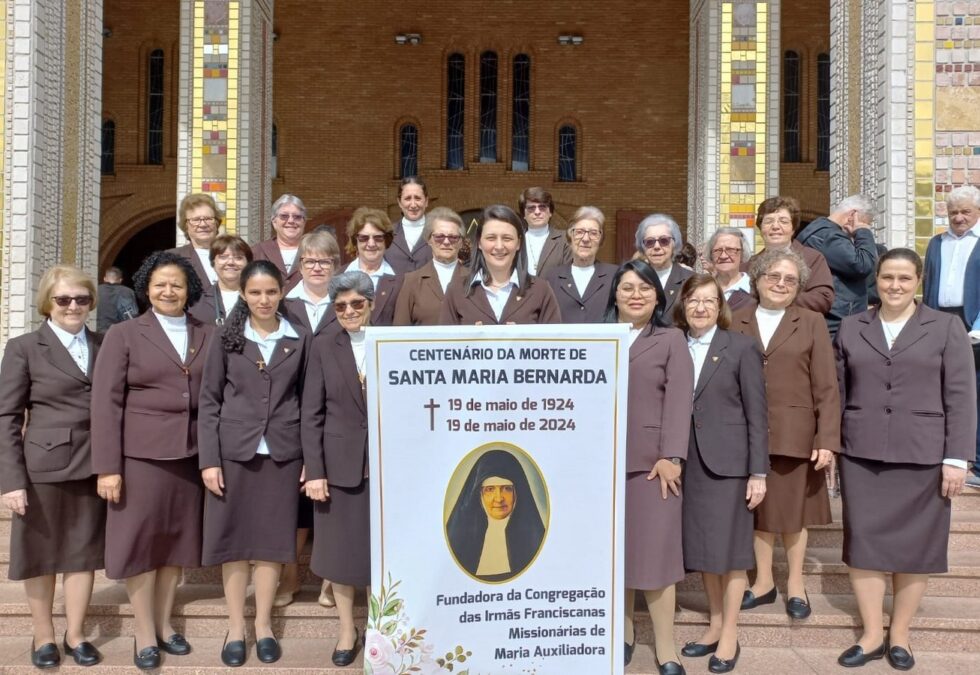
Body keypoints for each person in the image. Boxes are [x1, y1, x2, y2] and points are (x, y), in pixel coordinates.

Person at [834, 248, 976, 670]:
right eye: (887, 278)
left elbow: (962, 396)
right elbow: (837, 393)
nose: (895, 286)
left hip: (923, 454)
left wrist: (957, 458)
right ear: (875, 280)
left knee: (916, 547)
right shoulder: (851, 326)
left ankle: (900, 633)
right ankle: (872, 632)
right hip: (862, 453)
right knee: (864, 543)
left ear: (919, 282)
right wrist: (832, 446)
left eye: (904, 279)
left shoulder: (947, 327)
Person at [91, 251, 212, 670]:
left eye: (177, 284)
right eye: (160, 284)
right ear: (146, 288)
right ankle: (143, 631)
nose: (168, 291)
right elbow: (105, 404)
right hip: (140, 458)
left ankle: (164, 624)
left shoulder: (206, 332)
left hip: (190, 456)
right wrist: (108, 466)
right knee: (141, 547)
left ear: (189, 289)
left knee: (174, 546)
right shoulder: (124, 334)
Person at [198, 260, 307, 667]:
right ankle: (235, 627)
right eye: (256, 292)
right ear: (243, 294)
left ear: (282, 293)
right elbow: (209, 401)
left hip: (282, 452)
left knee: (271, 545)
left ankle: (262, 624)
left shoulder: (298, 337)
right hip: (233, 454)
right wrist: (209, 460)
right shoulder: (226, 338)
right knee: (236, 545)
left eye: (271, 292)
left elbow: (309, 398)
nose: (264, 299)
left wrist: (309, 459)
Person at [0, 266, 106, 669]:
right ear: (48, 303)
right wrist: (11, 480)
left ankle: (76, 633)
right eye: (63, 299)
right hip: (43, 467)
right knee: (40, 555)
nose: (73, 306)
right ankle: (43, 635)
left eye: (81, 299)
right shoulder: (25, 347)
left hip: (94, 464)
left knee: (83, 554)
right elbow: (6, 416)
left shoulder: (105, 342)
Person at [730, 248, 839, 624]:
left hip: (795, 434)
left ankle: (795, 584)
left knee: (793, 513)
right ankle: (762, 583)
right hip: (743, 431)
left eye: (790, 279)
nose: (780, 284)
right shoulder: (735, 319)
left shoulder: (810, 322)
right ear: (757, 279)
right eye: (773, 277)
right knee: (757, 510)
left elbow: (826, 384)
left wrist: (827, 438)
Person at [675, 273, 768, 674]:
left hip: (729, 465)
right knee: (705, 553)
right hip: (687, 464)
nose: (700, 307)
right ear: (683, 304)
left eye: (708, 301)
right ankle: (713, 624)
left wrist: (758, 473)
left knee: (730, 555)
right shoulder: (672, 344)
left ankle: (729, 633)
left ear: (720, 307)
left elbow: (757, 415)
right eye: (693, 300)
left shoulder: (741, 347)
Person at [604, 259, 693, 673]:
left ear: (658, 295)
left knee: (655, 558)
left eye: (644, 287)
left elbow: (679, 400)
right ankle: (623, 634)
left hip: (654, 465)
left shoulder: (671, 339)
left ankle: (666, 646)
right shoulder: (599, 337)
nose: (635, 295)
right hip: (603, 465)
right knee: (616, 556)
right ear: (615, 295)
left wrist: (672, 455)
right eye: (626, 288)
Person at [302, 271, 377, 667]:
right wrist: (315, 470)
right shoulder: (323, 346)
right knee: (342, 555)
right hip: (339, 467)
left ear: (371, 303)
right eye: (341, 306)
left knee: (381, 554)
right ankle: (348, 628)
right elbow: (310, 412)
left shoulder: (391, 341)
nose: (349, 311)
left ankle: (380, 625)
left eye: (356, 304)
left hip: (386, 469)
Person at [279, 229, 343, 610]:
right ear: (299, 265)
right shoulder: (285, 306)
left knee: (333, 502)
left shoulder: (348, 303)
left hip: (335, 414)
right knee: (296, 505)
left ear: (336, 266)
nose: (317, 267)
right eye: (309, 261)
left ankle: (332, 580)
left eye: (324, 261)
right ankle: (289, 576)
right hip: (290, 412)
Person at [922, 185, 980, 489]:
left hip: (975, 325)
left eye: (965, 212)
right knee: (939, 387)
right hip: (941, 321)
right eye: (953, 212)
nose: (958, 217)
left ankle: (979, 465)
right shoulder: (936, 243)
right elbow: (929, 283)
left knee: (975, 392)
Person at [441, 204, 561, 325]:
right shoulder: (456, 291)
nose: (499, 246)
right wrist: (472, 339)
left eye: (507, 238)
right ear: (479, 243)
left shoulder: (540, 290)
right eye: (491, 238)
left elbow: (555, 342)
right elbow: (444, 342)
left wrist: (523, 339)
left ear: (518, 243)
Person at [445, 449, 546, 582]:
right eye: (490, 489)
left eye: (507, 488)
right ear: (479, 494)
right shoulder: (458, 539)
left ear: (518, 492)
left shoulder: (535, 540)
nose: (498, 498)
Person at [795, 194, 879, 337]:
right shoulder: (827, 236)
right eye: (865, 223)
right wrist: (863, 232)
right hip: (836, 322)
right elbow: (863, 265)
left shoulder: (822, 233)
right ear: (853, 215)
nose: (855, 234)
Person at [749, 197, 834, 315]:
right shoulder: (750, 263)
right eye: (768, 221)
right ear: (760, 227)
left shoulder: (812, 258)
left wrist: (778, 299)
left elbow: (823, 299)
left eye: (783, 221)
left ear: (793, 228)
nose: (775, 226)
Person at [393, 206, 469, 326]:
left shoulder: (474, 279)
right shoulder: (412, 281)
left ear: (461, 242)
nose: (446, 242)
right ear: (429, 240)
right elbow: (399, 330)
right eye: (439, 237)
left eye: (453, 237)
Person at [541, 206, 618, 323]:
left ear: (601, 240)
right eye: (579, 232)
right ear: (569, 237)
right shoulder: (552, 278)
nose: (586, 239)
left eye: (593, 233)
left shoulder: (615, 275)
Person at [343, 207, 402, 326]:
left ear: (386, 240)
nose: (371, 244)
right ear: (355, 241)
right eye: (364, 238)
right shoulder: (338, 276)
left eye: (378, 238)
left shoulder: (402, 280)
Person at [634, 214, 693, 323]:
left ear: (674, 244)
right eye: (650, 242)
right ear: (642, 246)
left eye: (664, 240)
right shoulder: (634, 278)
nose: (657, 247)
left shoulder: (691, 280)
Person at [188, 235, 252, 325]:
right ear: (213, 263)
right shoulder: (197, 302)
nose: (230, 262)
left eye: (238, 257)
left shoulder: (260, 299)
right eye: (223, 257)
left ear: (248, 263)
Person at [252, 194, 307, 293]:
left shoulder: (314, 251)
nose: (291, 221)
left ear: (304, 222)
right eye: (284, 216)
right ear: (274, 221)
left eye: (297, 217)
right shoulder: (257, 251)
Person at [170, 193, 222, 288]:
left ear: (216, 223)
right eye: (196, 220)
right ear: (186, 225)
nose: (203, 224)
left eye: (208, 219)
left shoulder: (233, 256)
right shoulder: (172, 258)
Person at [518, 187, 571, 277]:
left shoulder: (566, 239)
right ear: (524, 214)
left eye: (542, 207)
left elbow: (569, 275)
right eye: (531, 208)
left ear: (550, 212)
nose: (537, 212)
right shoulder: (516, 240)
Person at [385, 176, 433, 274]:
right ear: (399, 202)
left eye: (418, 198)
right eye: (407, 198)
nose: (413, 204)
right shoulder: (387, 234)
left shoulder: (439, 233)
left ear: (426, 201)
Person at [706, 228, 754, 312]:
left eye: (731, 250)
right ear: (711, 255)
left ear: (742, 253)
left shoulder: (755, 289)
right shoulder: (703, 288)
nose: (723, 256)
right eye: (718, 250)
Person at [96, 266, 139, 331]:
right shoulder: (127, 292)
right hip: (118, 334)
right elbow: (132, 316)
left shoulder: (96, 290)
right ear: (120, 280)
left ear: (104, 278)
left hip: (96, 333)